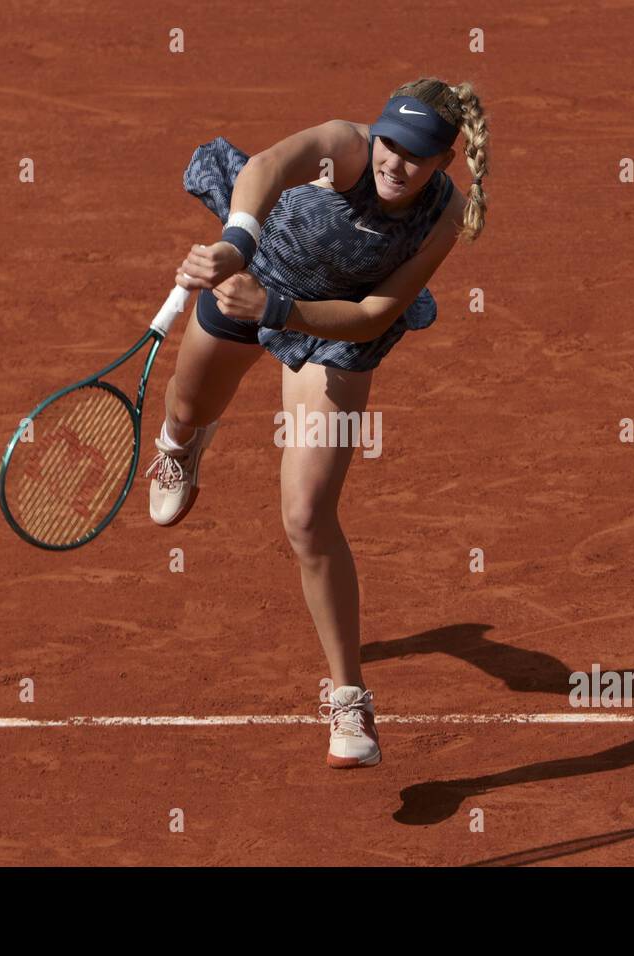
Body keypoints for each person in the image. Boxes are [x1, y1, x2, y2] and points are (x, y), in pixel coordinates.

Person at [143, 78, 490, 768]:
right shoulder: (344, 147)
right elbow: (265, 168)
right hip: (255, 274)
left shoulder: (446, 216)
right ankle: (182, 447)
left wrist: (276, 310)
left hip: (330, 330)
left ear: (443, 163)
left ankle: (349, 698)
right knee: (186, 409)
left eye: (416, 156)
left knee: (307, 515)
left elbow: (372, 315)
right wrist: (237, 248)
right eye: (389, 144)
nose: (394, 163)